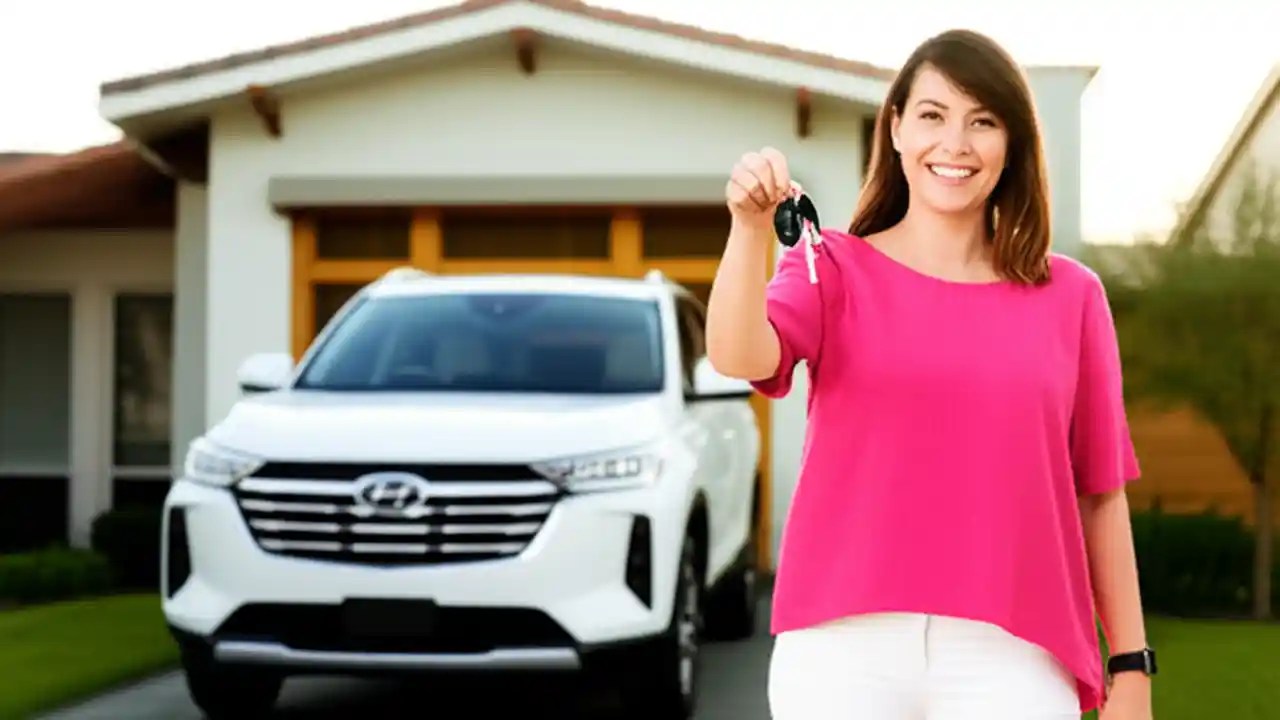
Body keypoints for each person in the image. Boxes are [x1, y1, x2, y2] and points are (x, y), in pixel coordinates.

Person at [706, 28, 1154, 720]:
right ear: (894, 129)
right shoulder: (832, 267)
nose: (956, 144)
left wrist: (1131, 668)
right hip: (840, 651)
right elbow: (740, 355)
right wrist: (748, 229)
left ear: (1014, 145)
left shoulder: (1072, 297)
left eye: (983, 121)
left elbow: (1101, 495)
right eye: (933, 116)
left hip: (1016, 654)